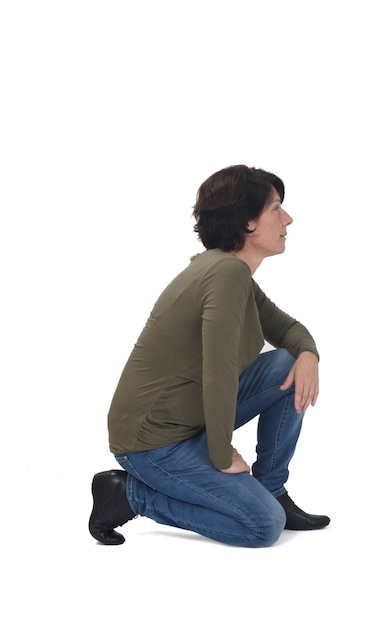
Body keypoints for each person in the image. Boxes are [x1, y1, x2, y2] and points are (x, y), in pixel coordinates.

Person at [88, 164, 330, 548]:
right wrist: (220, 455)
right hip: (152, 443)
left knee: (288, 363)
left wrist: (309, 355)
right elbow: (219, 372)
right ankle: (129, 495)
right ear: (247, 222)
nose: (288, 218)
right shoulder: (225, 275)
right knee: (263, 527)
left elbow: (289, 331)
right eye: (276, 209)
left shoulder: (234, 274)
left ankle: (273, 489)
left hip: (187, 420)